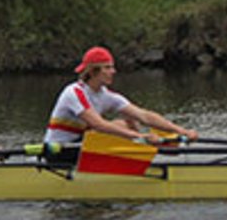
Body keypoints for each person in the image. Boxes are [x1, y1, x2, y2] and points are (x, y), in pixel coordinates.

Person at [43, 46, 196, 151]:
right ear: (93, 71)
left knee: (129, 122)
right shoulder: (74, 93)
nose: (113, 72)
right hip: (60, 151)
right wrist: (140, 136)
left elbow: (145, 116)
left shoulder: (106, 95)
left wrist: (182, 131)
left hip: (83, 147)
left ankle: (143, 160)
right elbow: (99, 125)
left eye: (112, 67)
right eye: (107, 67)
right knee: (122, 128)